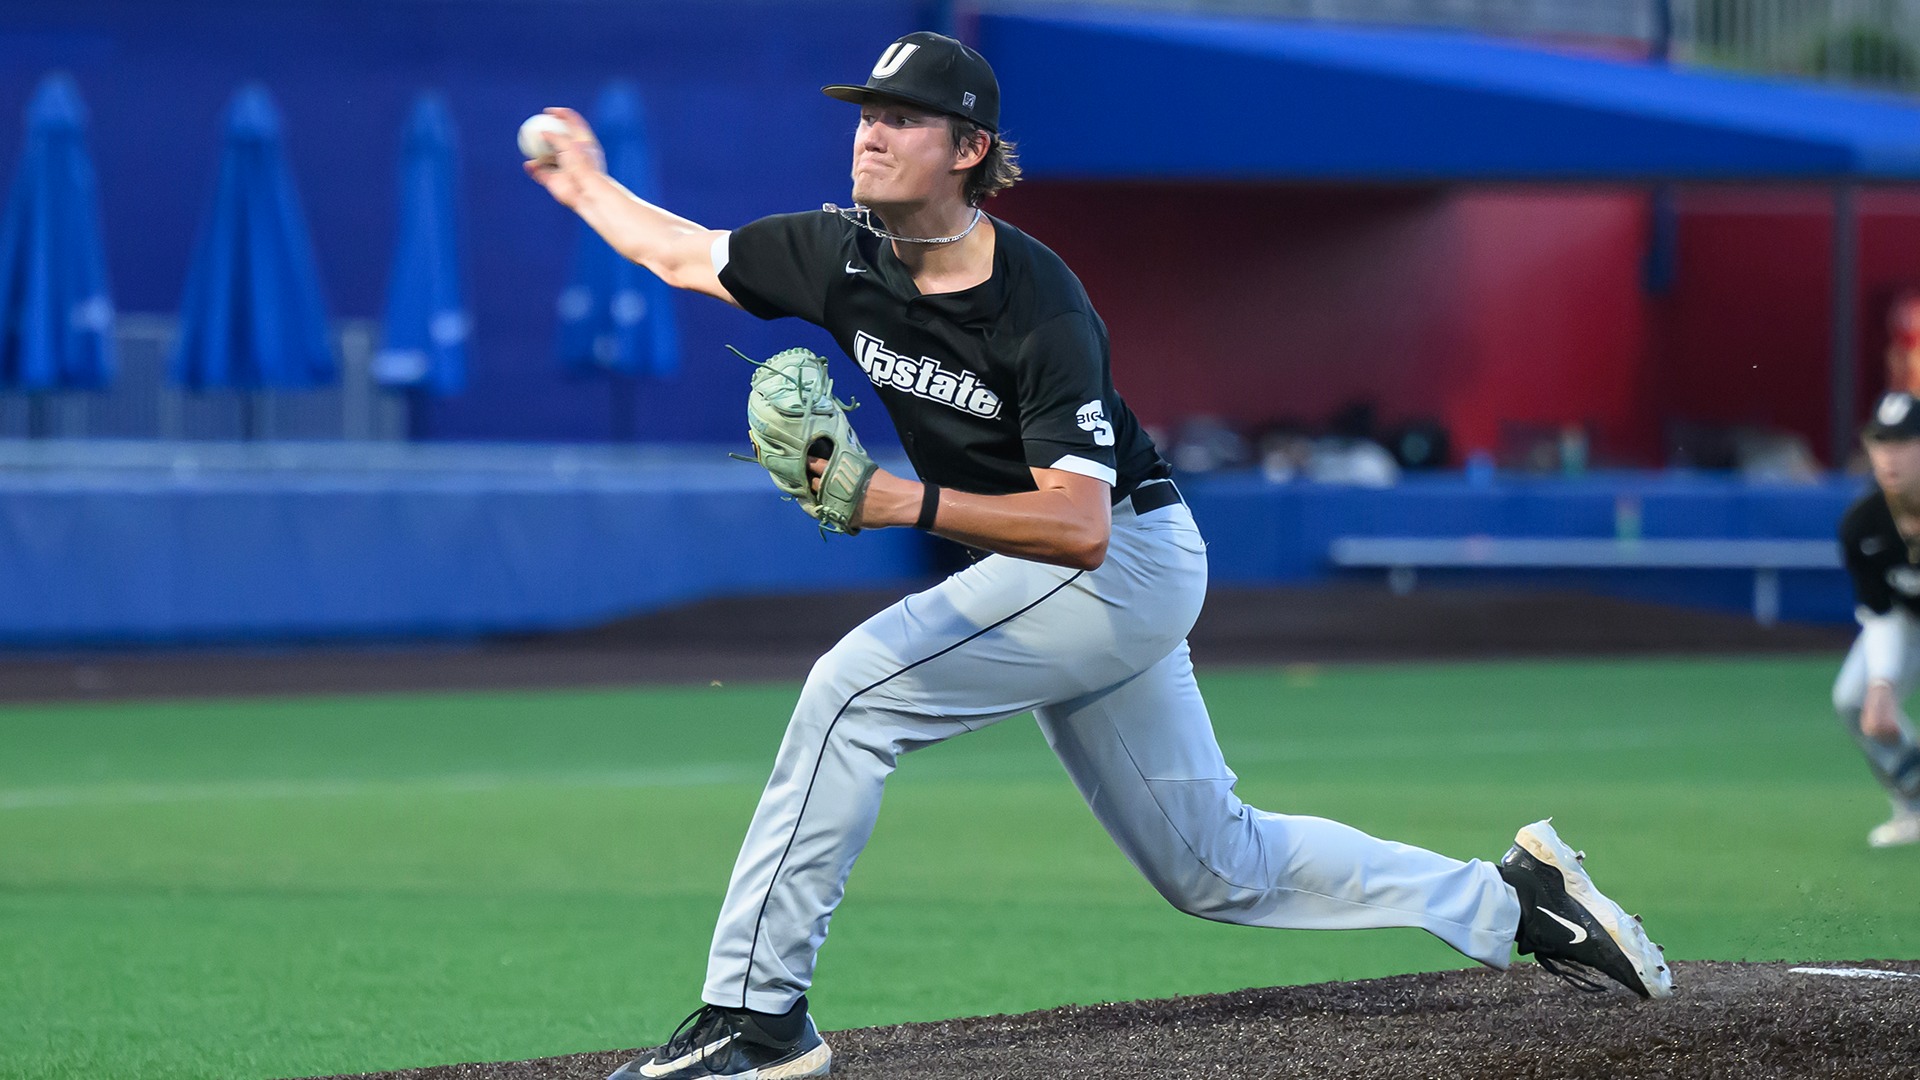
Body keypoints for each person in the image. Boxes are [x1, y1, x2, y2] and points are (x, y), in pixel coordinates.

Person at [526, 32, 1671, 1080]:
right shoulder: (840, 254)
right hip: (1078, 573)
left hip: (1122, 558)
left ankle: (756, 1018)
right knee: (1214, 866)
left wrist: (887, 497)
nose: (870, 130)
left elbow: (1078, 524)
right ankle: (1514, 902)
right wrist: (580, 183)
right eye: (865, 110)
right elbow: (683, 255)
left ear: (969, 149)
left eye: (902, 116)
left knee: (847, 698)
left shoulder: (1039, 300)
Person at [1834, 391, 1920, 847]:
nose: (1890, 456)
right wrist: (1882, 686)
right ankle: (1914, 804)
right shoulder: (1863, 524)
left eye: (1904, 443)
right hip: (1906, 622)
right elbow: (1881, 612)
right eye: (1881, 443)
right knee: (1854, 699)